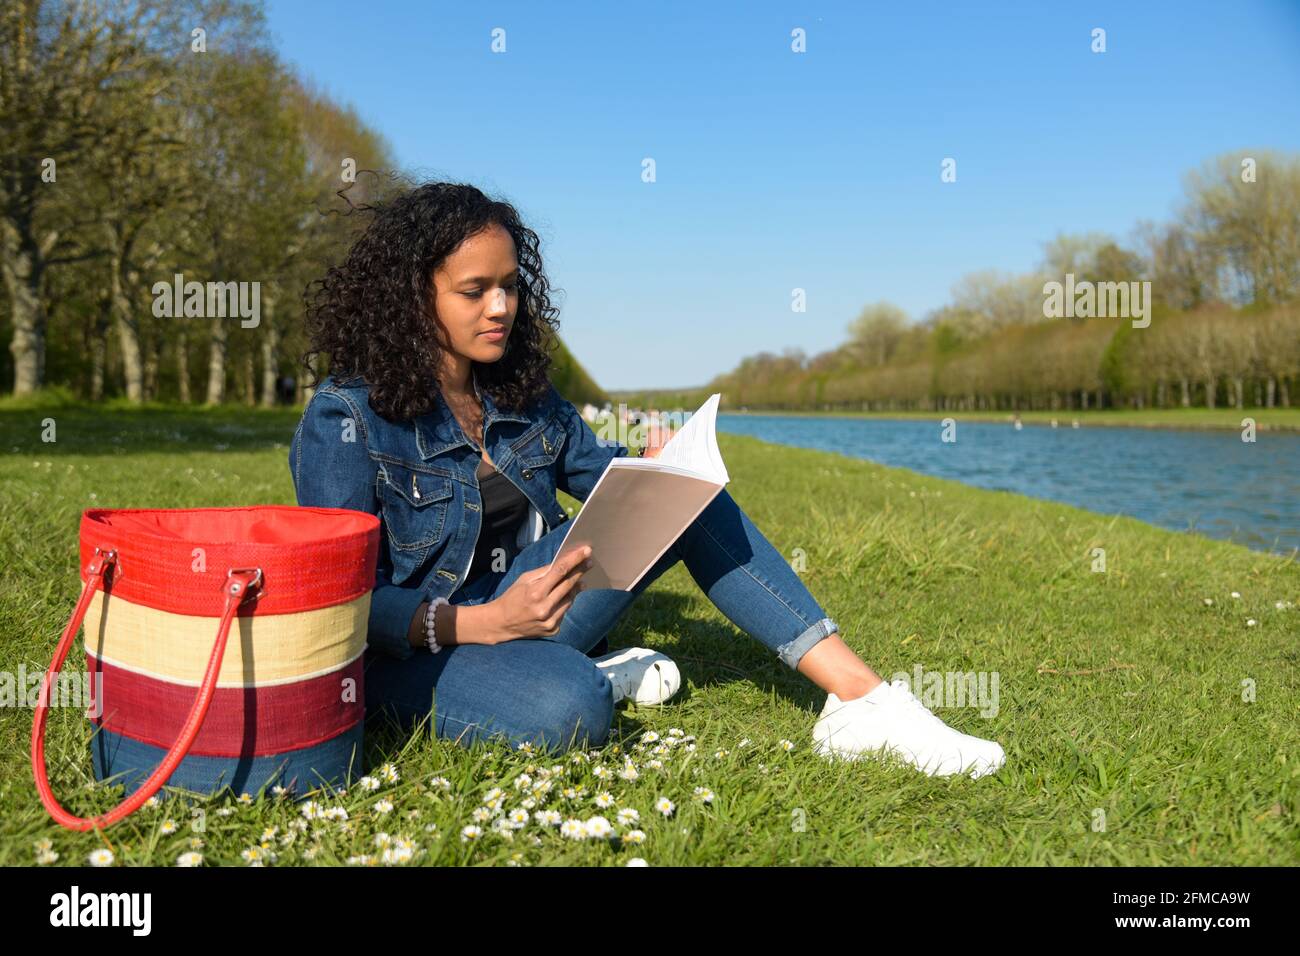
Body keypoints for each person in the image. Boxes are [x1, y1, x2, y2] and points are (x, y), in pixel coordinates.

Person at [290, 180, 1005, 778]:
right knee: (568, 708)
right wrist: (479, 623)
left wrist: (657, 468)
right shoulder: (346, 416)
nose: (501, 307)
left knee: (679, 495)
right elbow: (334, 603)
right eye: (475, 291)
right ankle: (588, 671)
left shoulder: (521, 395)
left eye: (509, 287)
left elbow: (606, 480)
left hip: (527, 605)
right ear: (416, 299)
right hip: (415, 649)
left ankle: (860, 699)